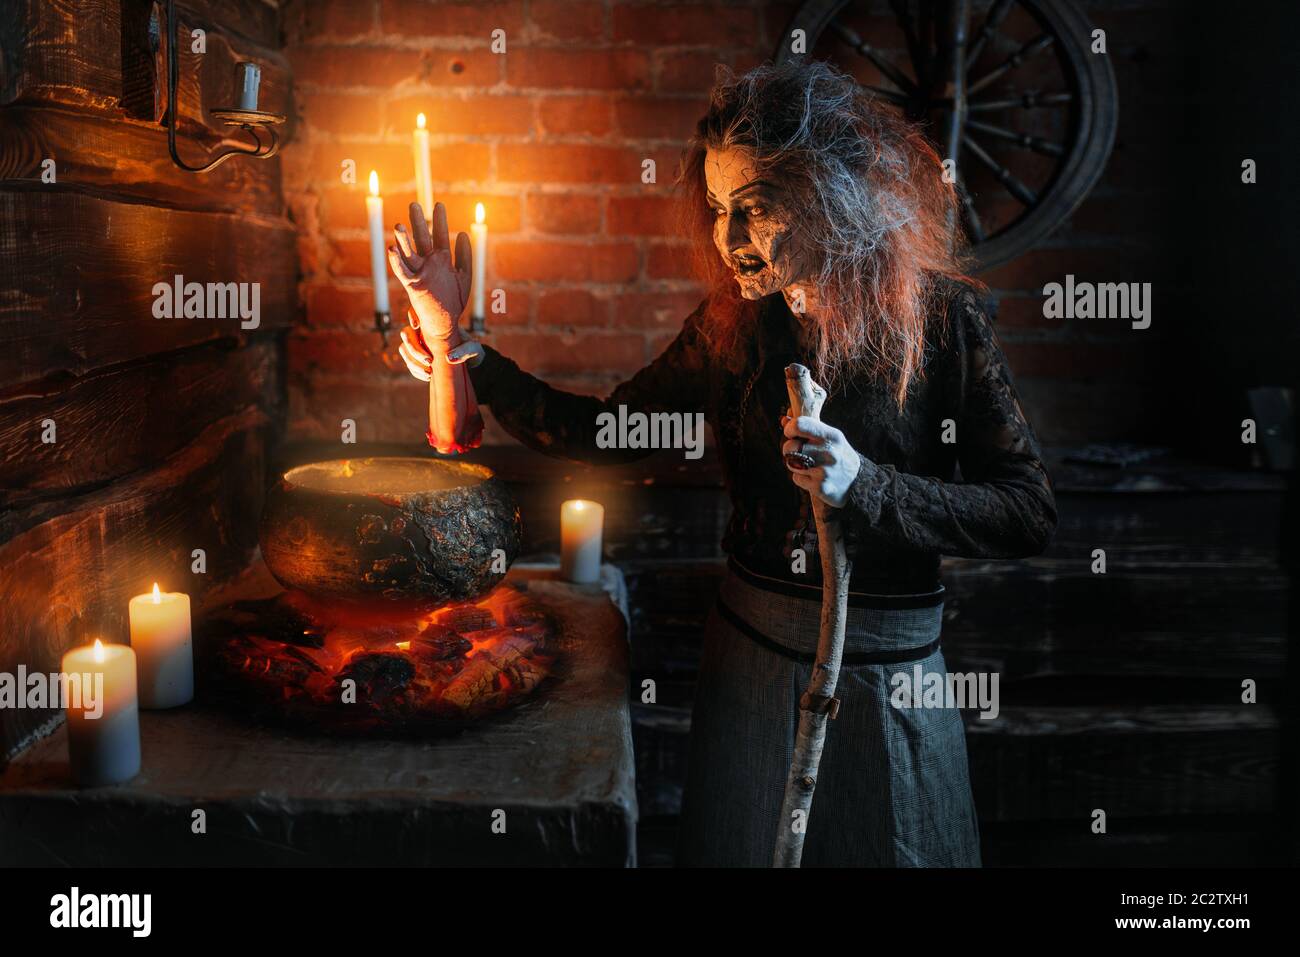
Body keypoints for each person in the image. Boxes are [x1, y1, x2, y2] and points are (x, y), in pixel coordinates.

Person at [387, 60, 1057, 867]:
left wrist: (867, 486)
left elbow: (1027, 511)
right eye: (715, 208)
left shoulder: (945, 322)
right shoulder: (732, 324)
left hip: (889, 683)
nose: (727, 239)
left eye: (756, 208)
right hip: (747, 666)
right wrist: (466, 354)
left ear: (829, 197)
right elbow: (612, 432)